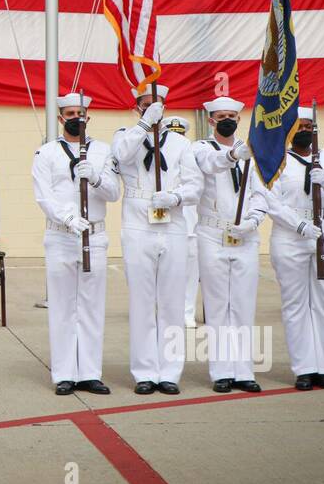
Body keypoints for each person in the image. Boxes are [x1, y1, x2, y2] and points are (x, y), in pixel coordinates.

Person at [112, 89, 201, 395]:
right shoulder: (126, 136)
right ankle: (144, 371)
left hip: (172, 221)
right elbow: (120, 155)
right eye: (145, 105)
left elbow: (195, 186)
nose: (151, 109)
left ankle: (170, 372)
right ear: (136, 108)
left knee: (172, 301)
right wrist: (142, 127)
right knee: (141, 300)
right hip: (137, 223)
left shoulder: (181, 143)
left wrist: (176, 196)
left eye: (156, 105)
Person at [32, 92, 121, 395]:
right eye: (69, 114)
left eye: (80, 113)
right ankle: (64, 373)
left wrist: (95, 178)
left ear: (88, 116)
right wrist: (68, 218)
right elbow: (43, 196)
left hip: (94, 236)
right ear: (60, 118)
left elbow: (113, 193)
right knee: (63, 306)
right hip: (60, 235)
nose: (75, 118)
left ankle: (90, 372)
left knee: (91, 307)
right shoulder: (46, 153)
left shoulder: (103, 151)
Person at [262, 107, 324, 391]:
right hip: (290, 237)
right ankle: (303, 368)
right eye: (298, 125)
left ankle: (321, 368)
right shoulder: (276, 160)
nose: (303, 130)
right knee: (295, 304)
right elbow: (271, 203)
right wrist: (300, 226)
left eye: (308, 125)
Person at [192, 97, 271, 393]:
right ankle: (221, 371)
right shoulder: (201, 148)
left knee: (242, 304)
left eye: (231, 116)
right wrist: (232, 157)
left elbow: (261, 191)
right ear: (211, 120)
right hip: (213, 234)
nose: (226, 120)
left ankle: (244, 370)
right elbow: (210, 165)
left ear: (239, 119)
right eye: (220, 116)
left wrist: (253, 220)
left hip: (245, 236)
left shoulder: (254, 151)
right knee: (217, 305)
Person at [163, 117, 202, 329]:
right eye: (173, 134)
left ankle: (188, 313)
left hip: (192, 225)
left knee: (190, 274)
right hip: (168, 224)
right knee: (167, 274)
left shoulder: (193, 155)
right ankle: (168, 310)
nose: (177, 138)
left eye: (180, 134)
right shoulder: (160, 158)